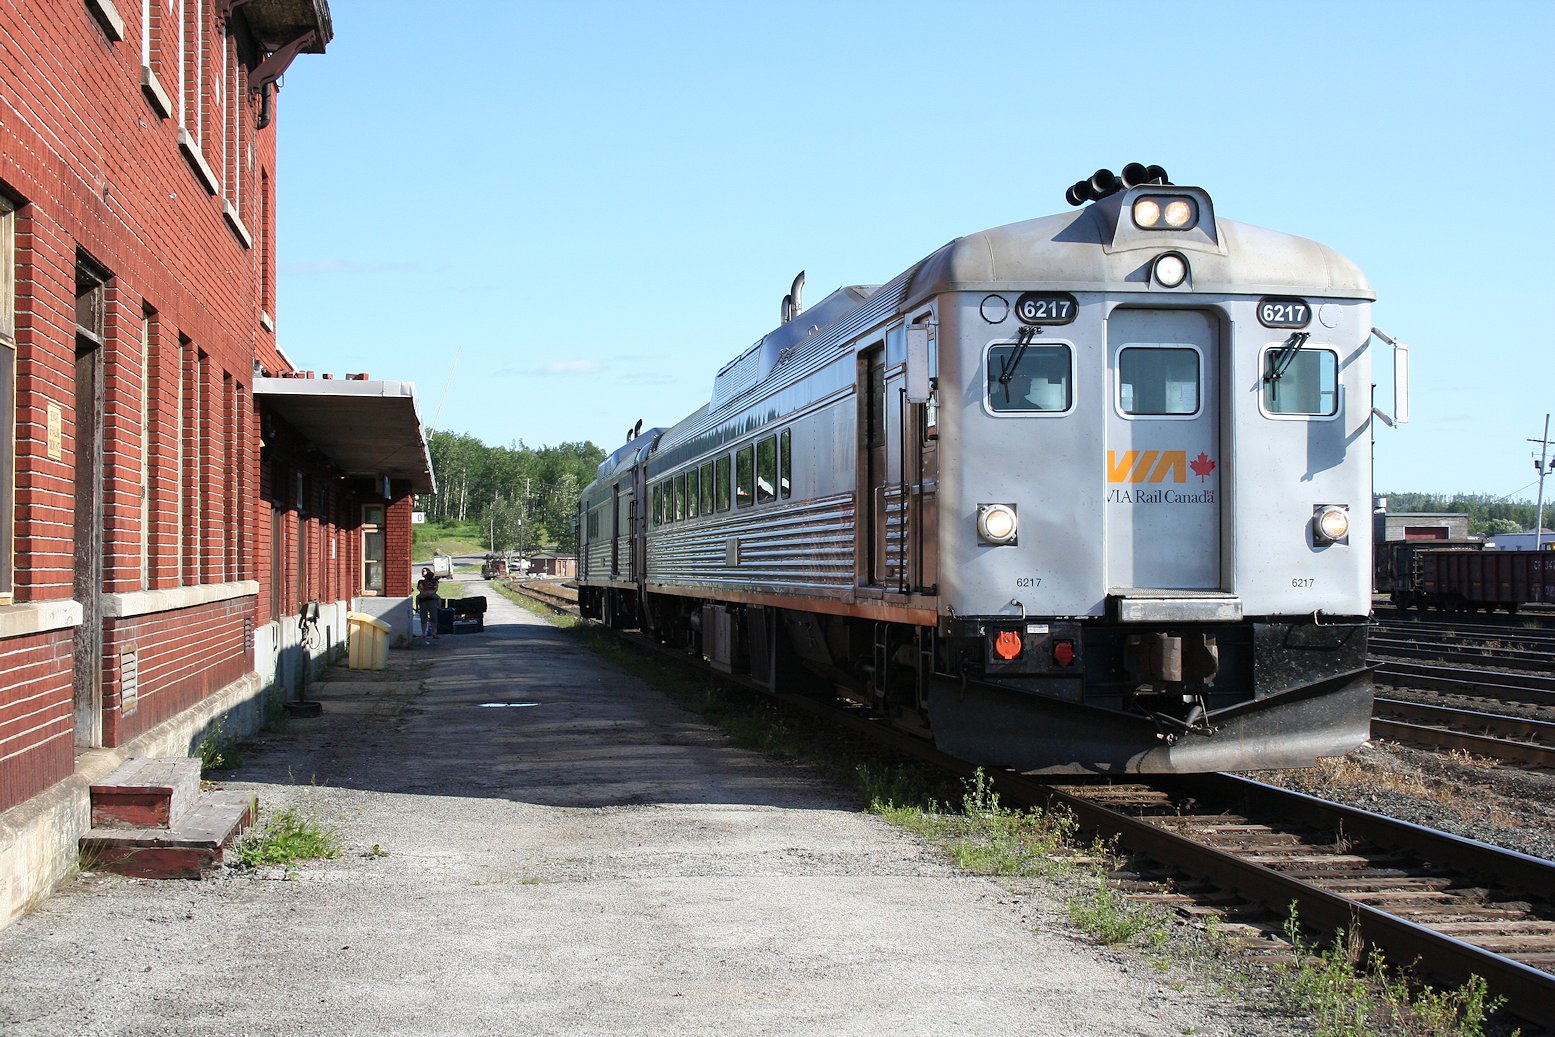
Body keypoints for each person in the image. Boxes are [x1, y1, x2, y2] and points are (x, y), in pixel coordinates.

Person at [415, 567, 441, 643]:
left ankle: (433, 633)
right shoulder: (421, 581)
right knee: (424, 617)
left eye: (425, 572)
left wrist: (427, 594)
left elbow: (436, 588)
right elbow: (421, 590)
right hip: (425, 600)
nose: (424, 573)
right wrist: (430, 594)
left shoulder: (434, 582)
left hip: (429, 600)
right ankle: (424, 633)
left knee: (433, 617)